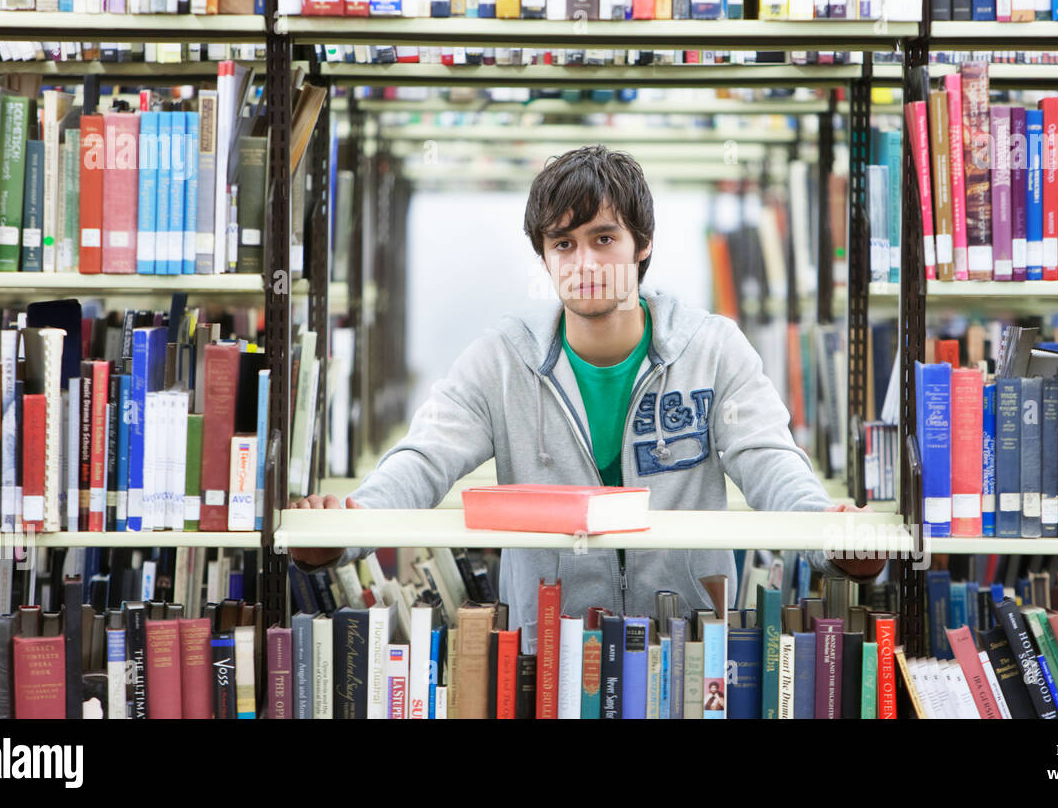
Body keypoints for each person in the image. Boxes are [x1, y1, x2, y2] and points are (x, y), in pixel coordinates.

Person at [291, 145, 885, 650]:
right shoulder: (501, 360)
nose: (586, 263)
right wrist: (346, 532)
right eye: (564, 244)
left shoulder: (712, 349)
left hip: (684, 652)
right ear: (544, 257)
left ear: (641, 245)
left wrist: (830, 538)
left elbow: (770, 464)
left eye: (604, 238)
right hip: (549, 655)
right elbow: (422, 460)